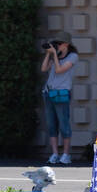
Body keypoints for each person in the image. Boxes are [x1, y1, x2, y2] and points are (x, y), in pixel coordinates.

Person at [41, 32, 79, 164]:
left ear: (66, 44)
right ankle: (55, 153)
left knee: (64, 124)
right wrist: (49, 54)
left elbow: (59, 70)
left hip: (61, 93)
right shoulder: (54, 55)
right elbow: (44, 68)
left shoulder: (73, 56)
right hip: (49, 92)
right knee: (52, 125)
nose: (57, 45)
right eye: (56, 43)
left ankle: (66, 154)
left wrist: (56, 57)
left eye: (59, 43)